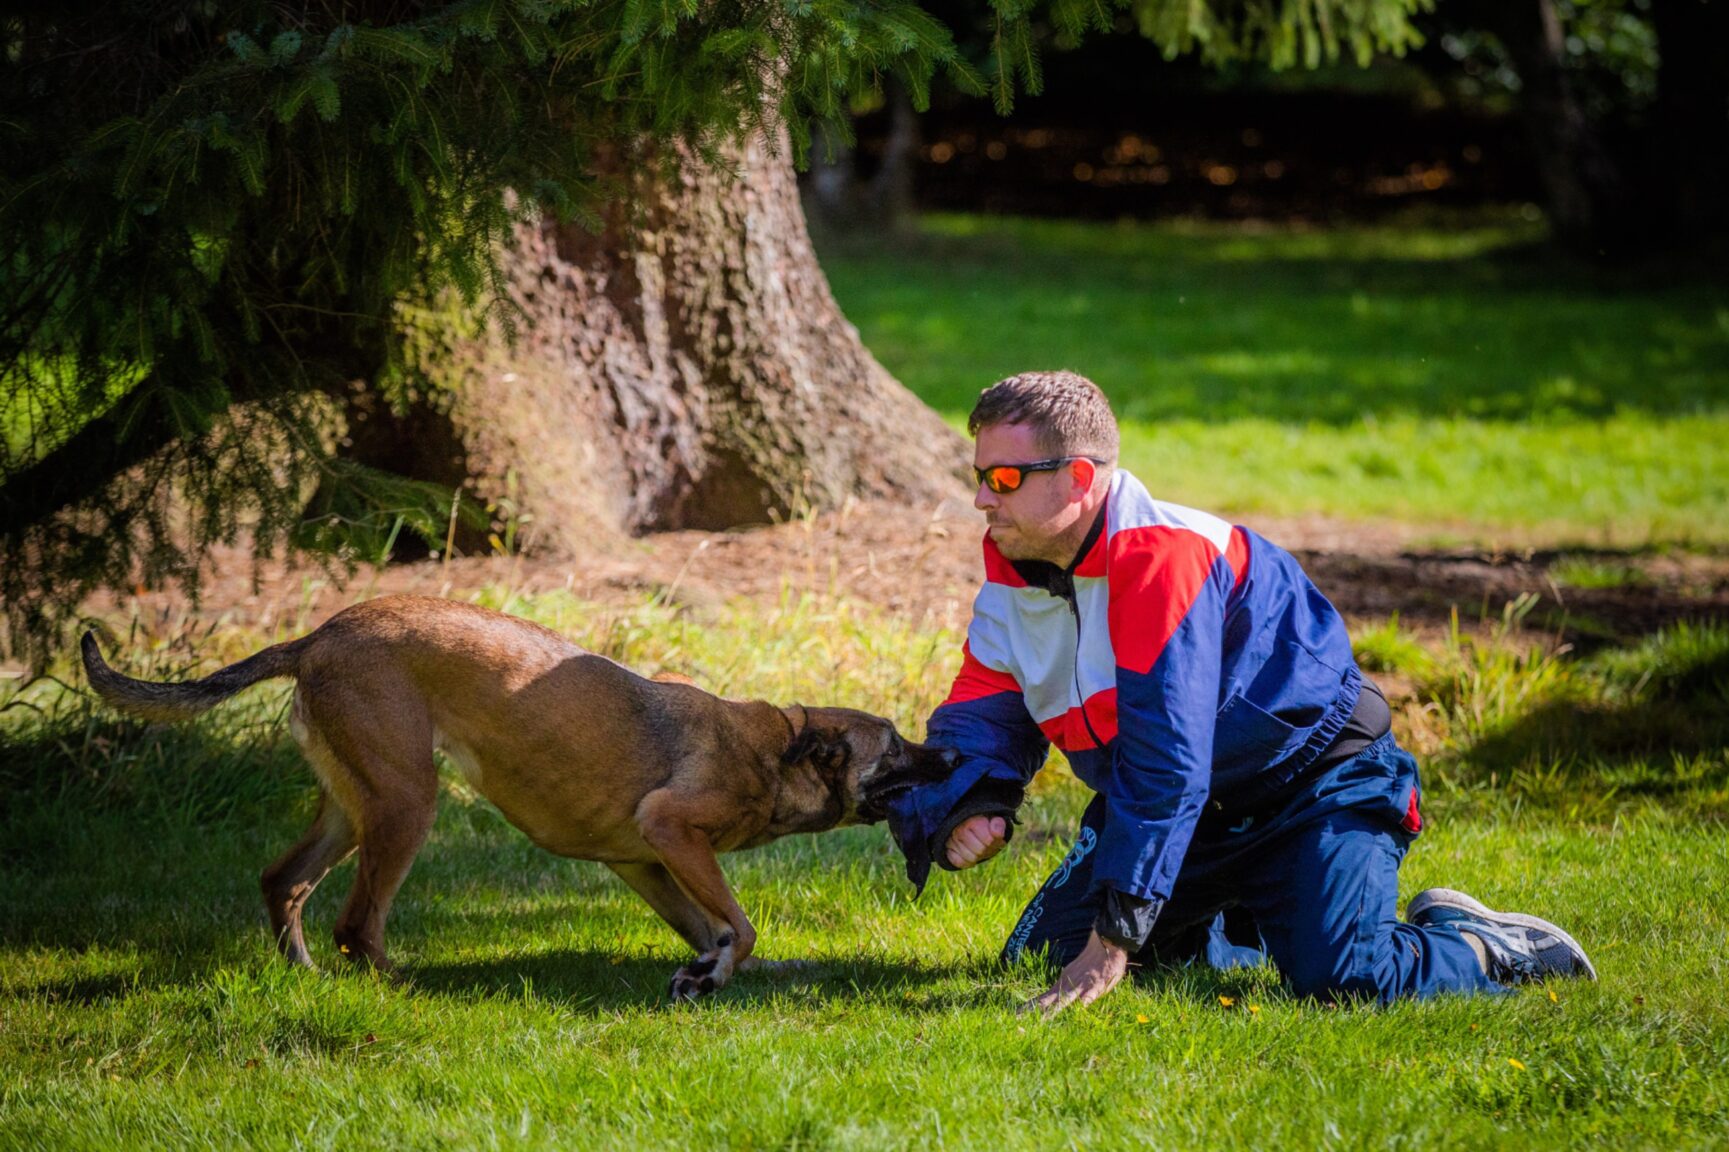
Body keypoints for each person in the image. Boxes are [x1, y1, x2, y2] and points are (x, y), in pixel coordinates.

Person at [887, 371, 1595, 1015]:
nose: (981, 498)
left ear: (1076, 479)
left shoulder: (1165, 558)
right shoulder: (1015, 575)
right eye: (978, 475)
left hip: (1314, 790)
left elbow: (1166, 761)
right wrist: (963, 806)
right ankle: (1245, 919)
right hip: (1193, 812)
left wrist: (1112, 944)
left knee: (1346, 982)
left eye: (1005, 478)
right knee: (1039, 959)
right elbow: (979, 717)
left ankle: (1479, 943)